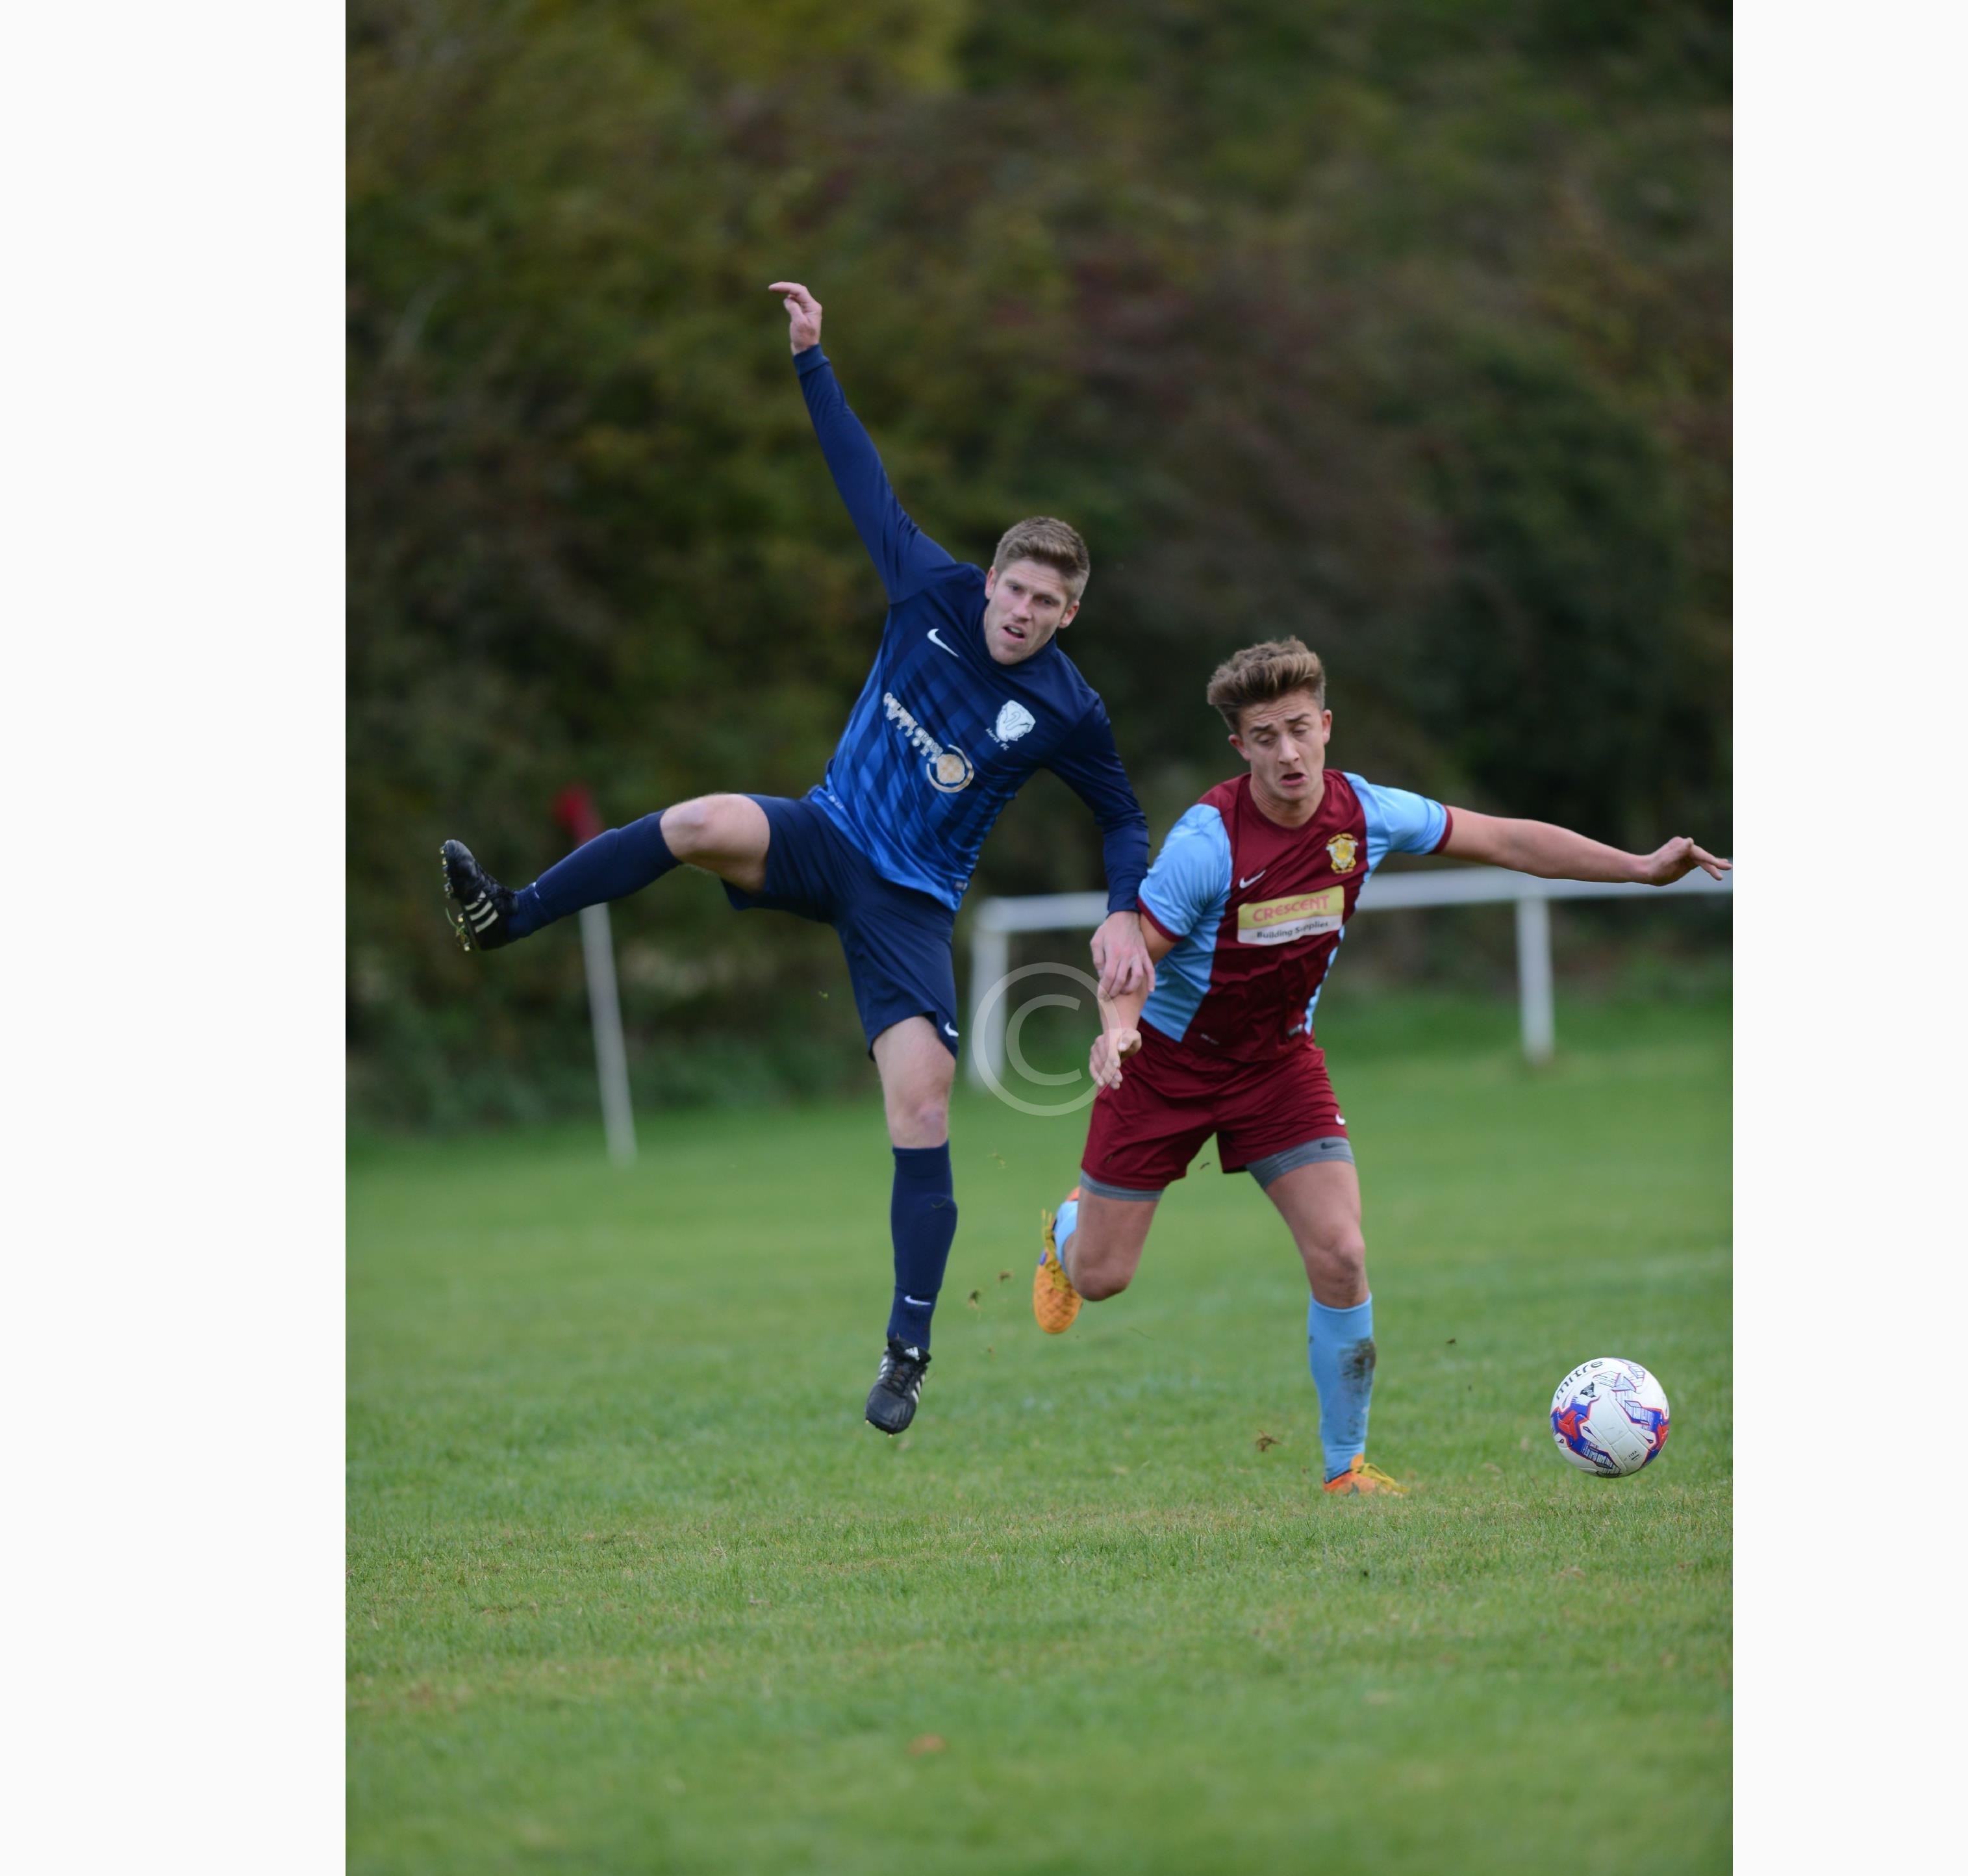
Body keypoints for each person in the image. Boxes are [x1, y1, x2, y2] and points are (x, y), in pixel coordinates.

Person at [441, 282, 1154, 1436]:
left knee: (922, 1105)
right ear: (990, 581)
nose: (1023, 612)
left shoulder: (1068, 708)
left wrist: (1124, 904)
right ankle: (506, 916)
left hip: (909, 904)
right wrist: (811, 359)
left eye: (1048, 603)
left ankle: (908, 1352)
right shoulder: (926, 587)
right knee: (695, 823)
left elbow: (1122, 816)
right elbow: (858, 477)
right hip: (825, 835)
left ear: (1069, 616)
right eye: (1016, 589)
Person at [1031, 637, 1726, 1495]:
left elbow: (1506, 840)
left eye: (1299, 729)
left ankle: (1345, 1469)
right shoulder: (1207, 844)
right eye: (1265, 737)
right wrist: (1117, 1031)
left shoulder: (1365, 812)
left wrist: (1639, 868)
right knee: (1104, 1278)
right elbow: (1131, 955)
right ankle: (1068, 1230)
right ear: (1240, 747)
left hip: (1278, 1065)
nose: (1288, 753)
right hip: (1165, 1064)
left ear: (1326, 726)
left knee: (1343, 1255)